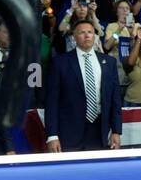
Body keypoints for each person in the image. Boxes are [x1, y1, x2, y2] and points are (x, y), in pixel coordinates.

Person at [45, 18, 123, 152]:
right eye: (82, 32)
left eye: (90, 32)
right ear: (74, 37)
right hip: (69, 133)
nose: (87, 35)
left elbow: (115, 100)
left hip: (100, 131)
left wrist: (116, 131)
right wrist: (52, 136)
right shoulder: (60, 63)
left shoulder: (109, 62)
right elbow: (52, 102)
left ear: (95, 36)